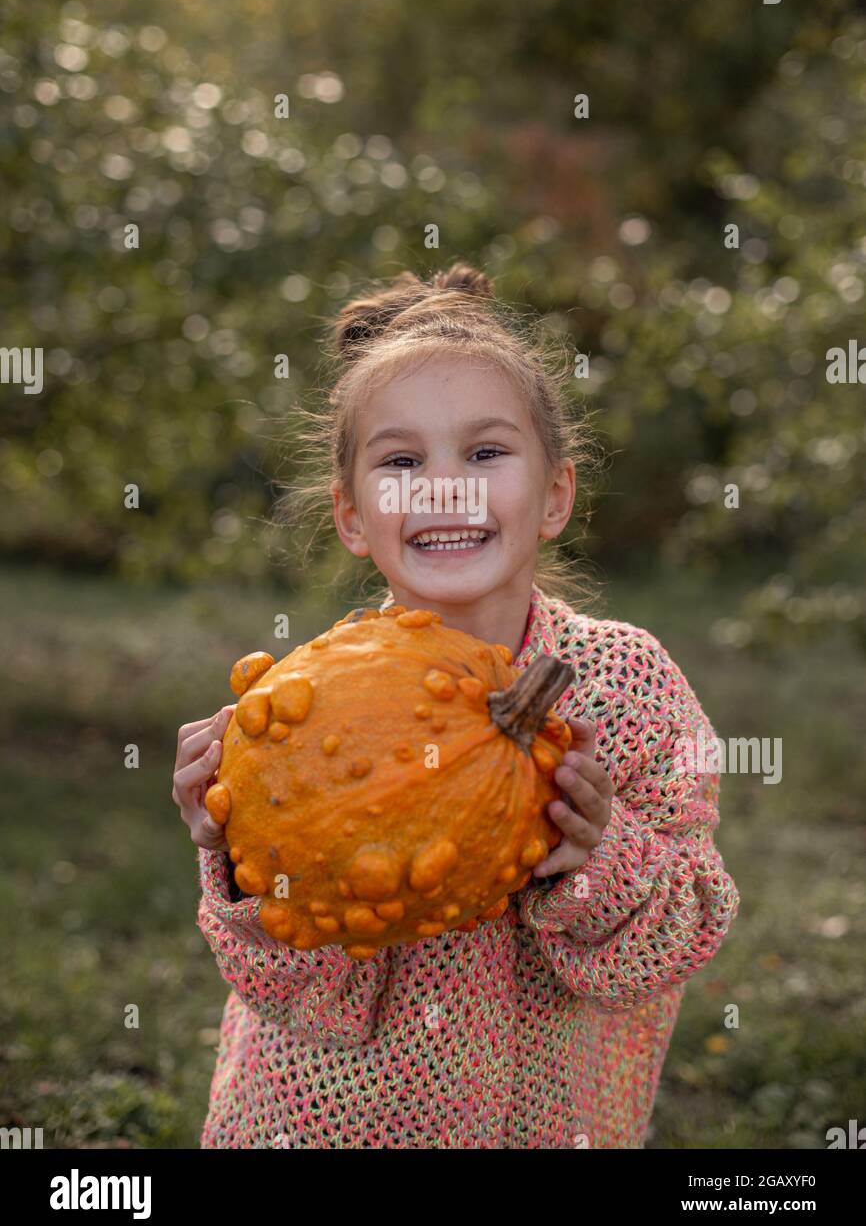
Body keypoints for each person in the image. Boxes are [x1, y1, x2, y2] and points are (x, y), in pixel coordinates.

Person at [172, 262, 740, 1148]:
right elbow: (277, 979)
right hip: (322, 1125)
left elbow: (681, 934)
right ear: (354, 516)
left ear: (554, 494)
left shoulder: (629, 686)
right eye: (402, 461)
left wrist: (594, 853)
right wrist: (239, 855)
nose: (445, 488)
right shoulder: (312, 702)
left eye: (484, 453)